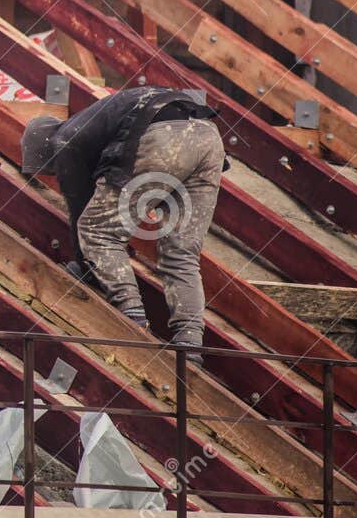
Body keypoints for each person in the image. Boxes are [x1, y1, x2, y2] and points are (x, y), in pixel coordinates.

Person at [20, 86, 226, 360]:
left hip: (163, 134)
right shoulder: (91, 126)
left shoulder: (64, 142)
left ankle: (132, 320)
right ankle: (190, 344)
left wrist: (86, 268)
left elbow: (81, 208)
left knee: (97, 230)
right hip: (208, 138)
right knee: (181, 252)